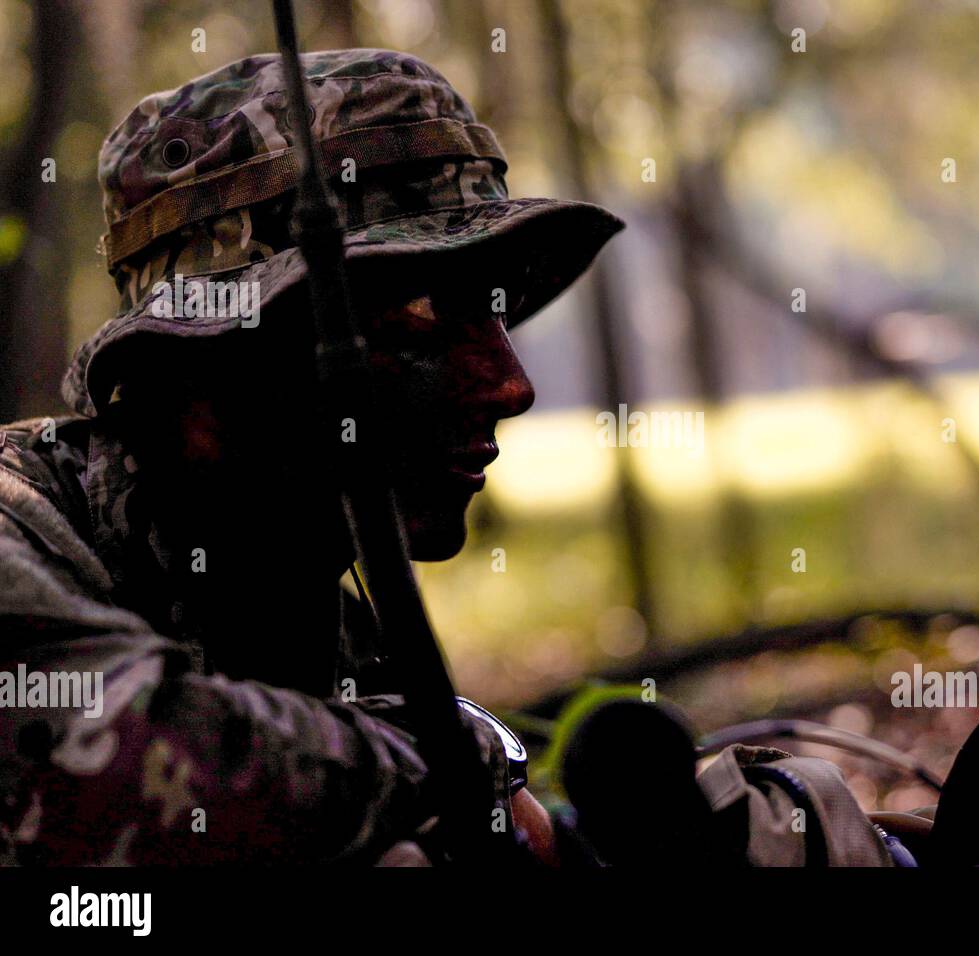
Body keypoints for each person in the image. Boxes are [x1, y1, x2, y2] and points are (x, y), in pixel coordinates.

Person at [0, 48, 622, 865]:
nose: (510, 385)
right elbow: (110, 768)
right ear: (199, 368)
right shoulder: (21, 527)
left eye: (496, 313)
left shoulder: (299, 582)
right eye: (421, 315)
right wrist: (454, 762)